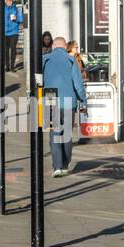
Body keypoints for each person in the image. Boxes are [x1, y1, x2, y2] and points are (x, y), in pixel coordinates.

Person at [42, 36, 86, 177]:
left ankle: (57, 167)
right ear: (64, 46)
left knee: (54, 134)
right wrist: (83, 101)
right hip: (68, 100)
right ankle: (65, 165)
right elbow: (78, 84)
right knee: (66, 134)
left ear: (54, 46)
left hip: (50, 99)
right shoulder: (71, 59)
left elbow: (38, 80)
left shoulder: (45, 59)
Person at [3, 0, 24, 72]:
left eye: (9, 0)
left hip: (14, 32)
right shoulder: (3, 9)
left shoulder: (16, 9)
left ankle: (12, 66)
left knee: (13, 49)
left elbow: (21, 20)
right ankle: (7, 66)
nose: (8, 2)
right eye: (6, 0)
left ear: (11, 1)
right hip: (5, 32)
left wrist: (16, 18)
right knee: (5, 50)